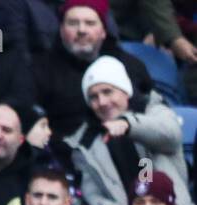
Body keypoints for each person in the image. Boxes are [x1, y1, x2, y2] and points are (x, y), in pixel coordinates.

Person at [64, 55, 196, 205]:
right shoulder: (85, 143)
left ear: (125, 91)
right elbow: (92, 194)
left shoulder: (154, 110)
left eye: (107, 91)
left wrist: (128, 124)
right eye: (93, 97)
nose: (102, 102)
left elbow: (171, 134)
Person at [33, 0, 154, 140]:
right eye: (72, 23)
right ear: (61, 30)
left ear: (104, 31)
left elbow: (154, 112)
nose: (81, 30)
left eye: (90, 23)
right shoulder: (40, 69)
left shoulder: (130, 66)